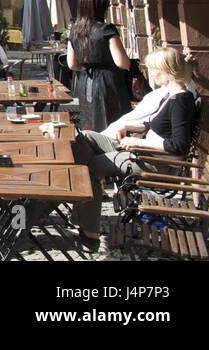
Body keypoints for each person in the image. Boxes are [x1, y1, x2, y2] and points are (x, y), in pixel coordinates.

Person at [67, 47, 199, 249]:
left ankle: (90, 231)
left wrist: (139, 143)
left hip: (155, 162)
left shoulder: (180, 100)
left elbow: (179, 146)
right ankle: (79, 210)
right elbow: (159, 126)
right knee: (84, 139)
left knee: (91, 167)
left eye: (155, 69)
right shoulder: (170, 95)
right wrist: (129, 126)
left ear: (168, 70)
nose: (151, 73)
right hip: (144, 152)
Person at [67, 0, 131, 132]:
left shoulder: (75, 31)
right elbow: (122, 62)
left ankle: (94, 147)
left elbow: (71, 64)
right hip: (108, 82)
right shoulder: (106, 29)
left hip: (85, 81)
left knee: (91, 120)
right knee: (113, 120)